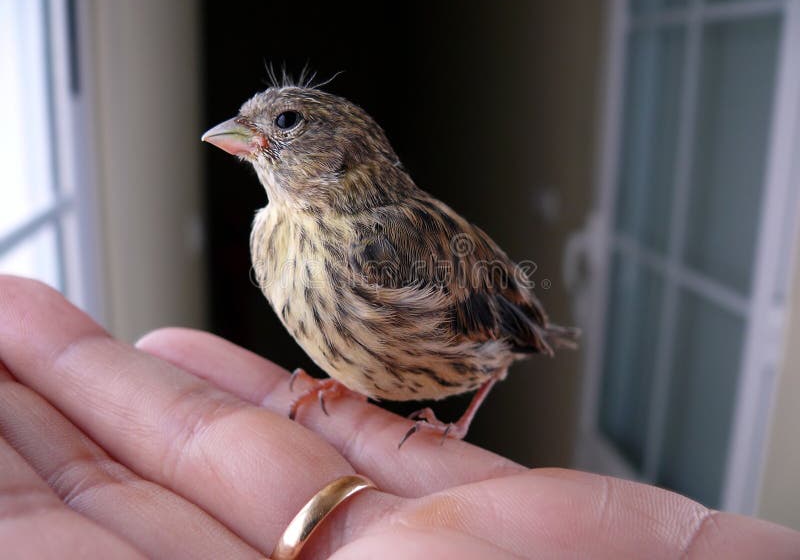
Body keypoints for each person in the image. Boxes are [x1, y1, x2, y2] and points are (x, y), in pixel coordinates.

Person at [0, 276, 797, 559]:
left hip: (478, 348)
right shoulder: (271, 242)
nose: (248, 138)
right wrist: (343, 377)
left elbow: (492, 330)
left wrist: (455, 427)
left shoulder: (385, 248)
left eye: (282, 129)